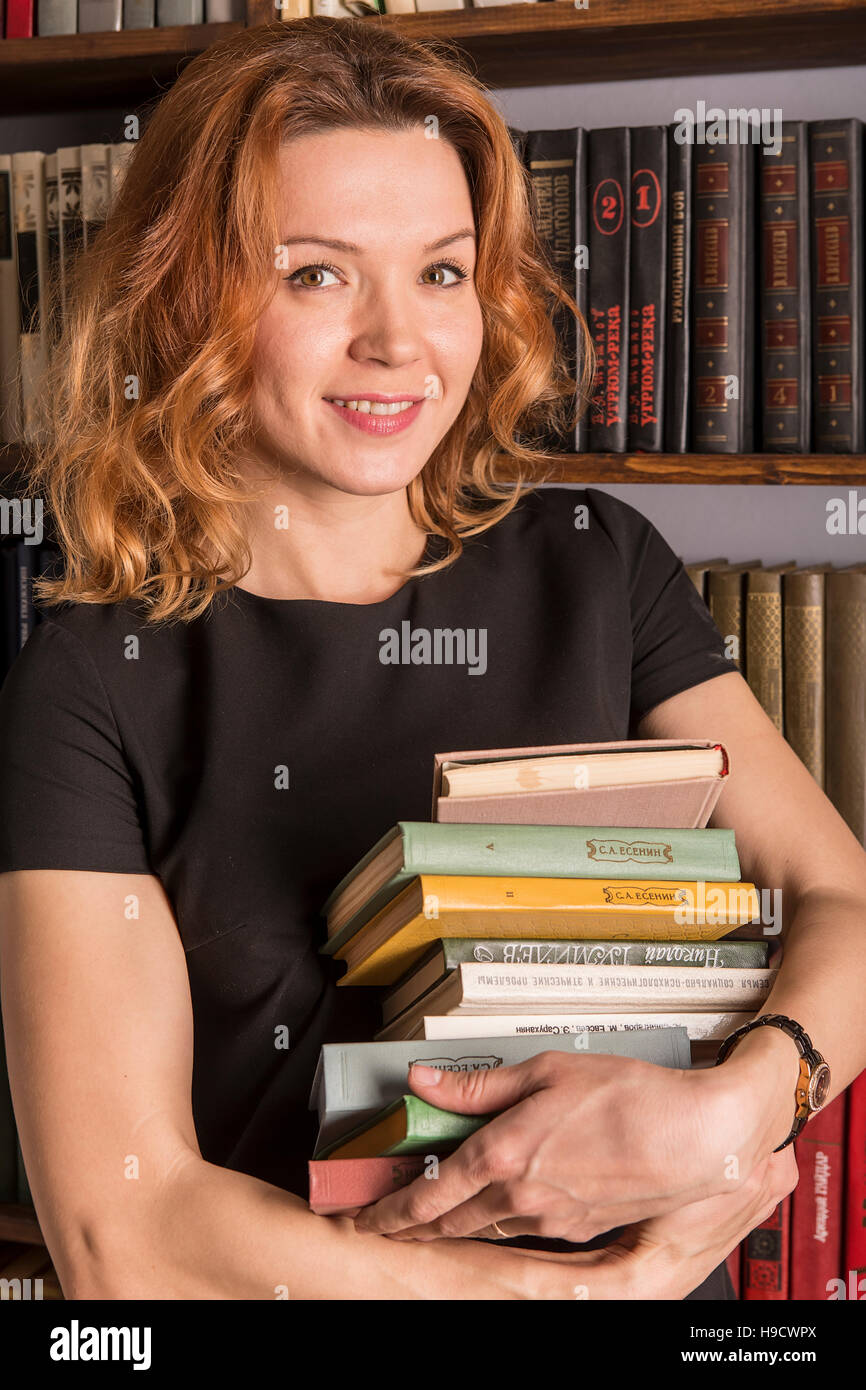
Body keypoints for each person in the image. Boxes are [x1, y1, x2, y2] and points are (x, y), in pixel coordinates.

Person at [0, 18, 862, 1302]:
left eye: (442, 273)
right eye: (315, 275)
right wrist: (568, 1296)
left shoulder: (598, 563)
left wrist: (744, 1099)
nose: (397, 344)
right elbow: (123, 1235)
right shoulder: (93, 679)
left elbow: (839, 901)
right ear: (189, 295)